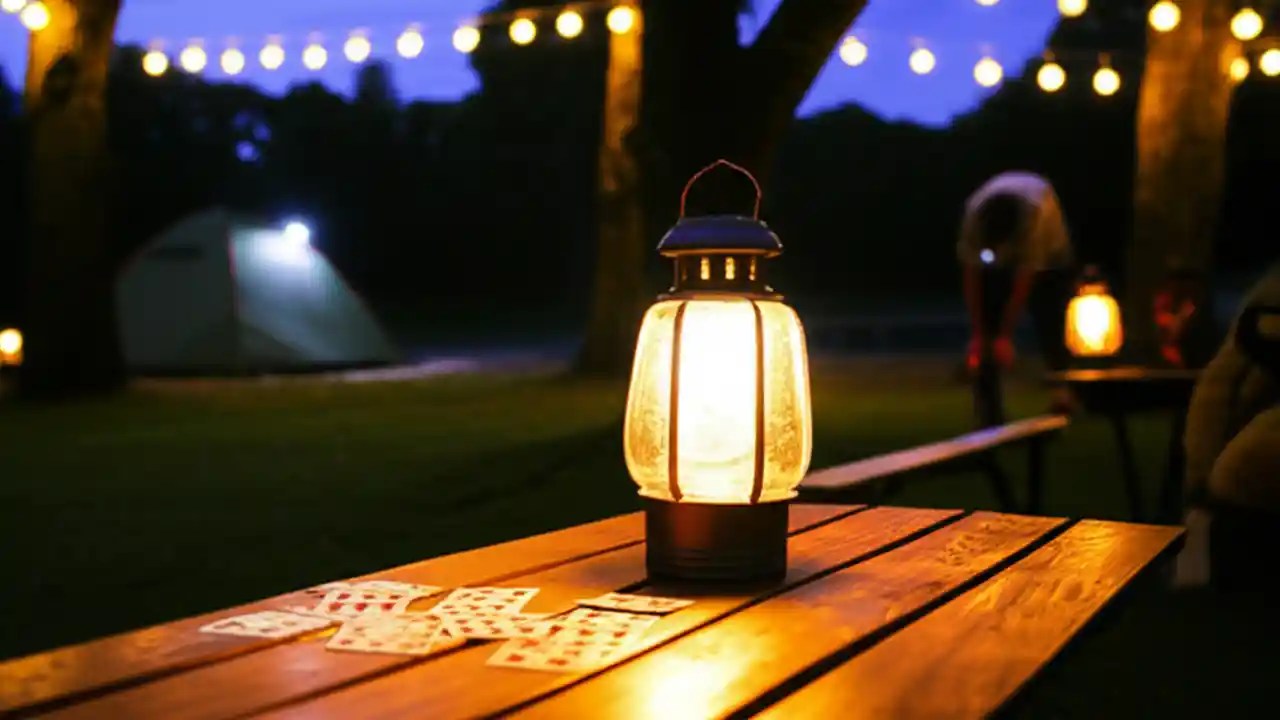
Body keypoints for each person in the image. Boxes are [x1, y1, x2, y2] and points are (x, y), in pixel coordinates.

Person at [957, 172, 1074, 422]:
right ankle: (989, 405)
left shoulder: (1037, 218)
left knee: (1050, 319)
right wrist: (980, 334)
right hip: (1007, 233)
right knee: (989, 319)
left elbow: (1025, 280)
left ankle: (1061, 397)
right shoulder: (974, 214)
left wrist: (1005, 337)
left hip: (1052, 260)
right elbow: (972, 276)